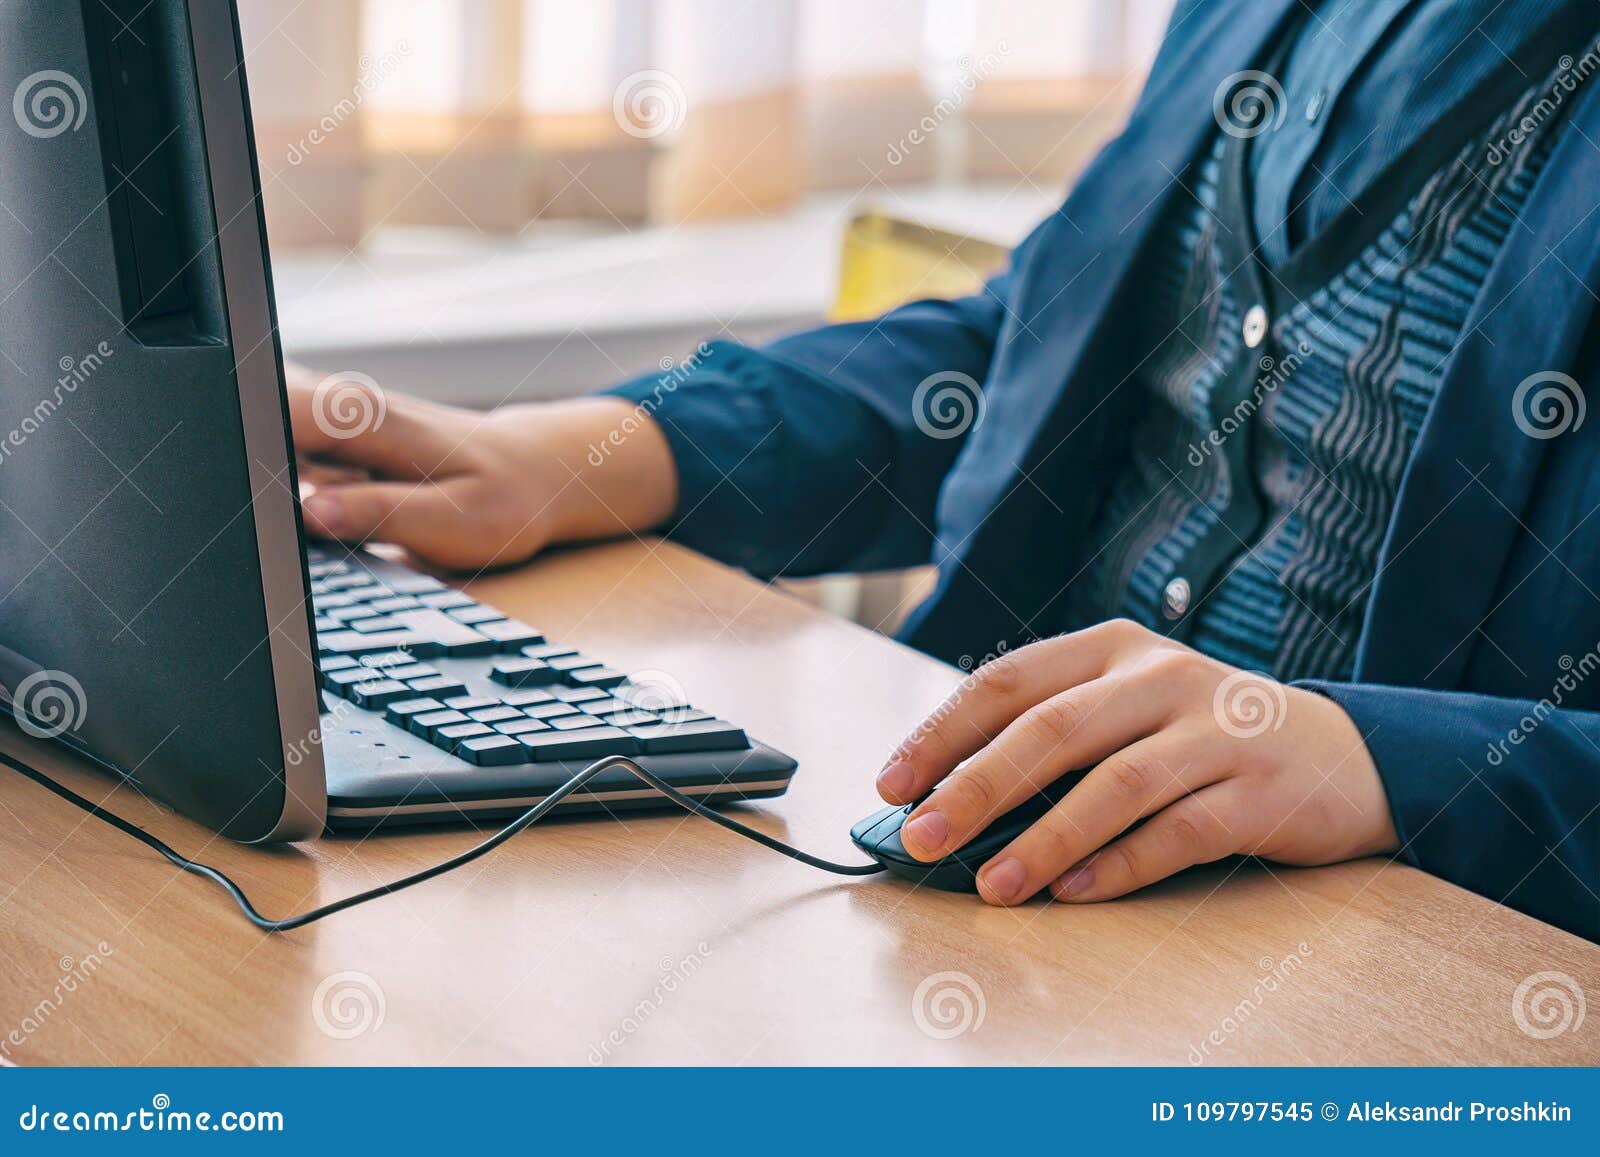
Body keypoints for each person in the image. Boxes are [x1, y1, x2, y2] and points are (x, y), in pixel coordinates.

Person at [288, 0, 1600, 942]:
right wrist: (583, 453)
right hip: (988, 904)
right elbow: (1035, 340)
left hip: (1380, 978)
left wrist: (1384, 757)